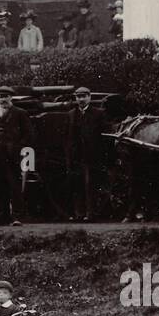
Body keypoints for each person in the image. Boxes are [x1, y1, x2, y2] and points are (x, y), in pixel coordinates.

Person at [0, 86, 31, 226]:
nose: (3, 99)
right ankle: (1, 218)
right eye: (0, 96)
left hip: (13, 155)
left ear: (11, 98)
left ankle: (17, 218)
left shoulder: (20, 113)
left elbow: (28, 134)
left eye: (5, 96)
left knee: (14, 186)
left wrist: (18, 147)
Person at [67, 87, 109, 222]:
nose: (81, 99)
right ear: (75, 98)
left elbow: (104, 136)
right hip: (77, 157)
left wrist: (102, 155)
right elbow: (68, 137)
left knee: (90, 185)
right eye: (78, 97)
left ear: (89, 97)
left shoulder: (98, 114)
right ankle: (79, 213)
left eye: (84, 96)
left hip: (93, 156)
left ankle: (91, 214)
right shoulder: (71, 114)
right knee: (77, 185)